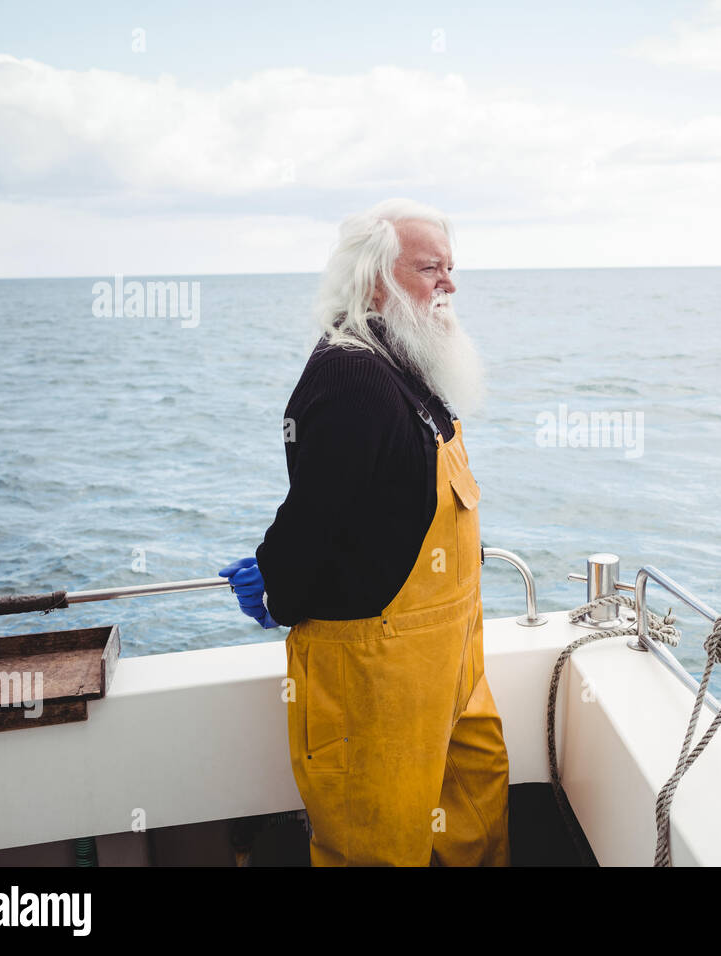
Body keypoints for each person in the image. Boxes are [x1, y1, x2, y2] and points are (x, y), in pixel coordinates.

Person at [218, 198, 510, 866]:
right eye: (430, 268)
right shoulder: (352, 376)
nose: (449, 284)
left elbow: (381, 510)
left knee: (477, 819)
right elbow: (314, 520)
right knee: (373, 844)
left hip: (453, 665)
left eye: (450, 268)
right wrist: (275, 587)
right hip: (374, 685)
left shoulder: (407, 364)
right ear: (374, 279)